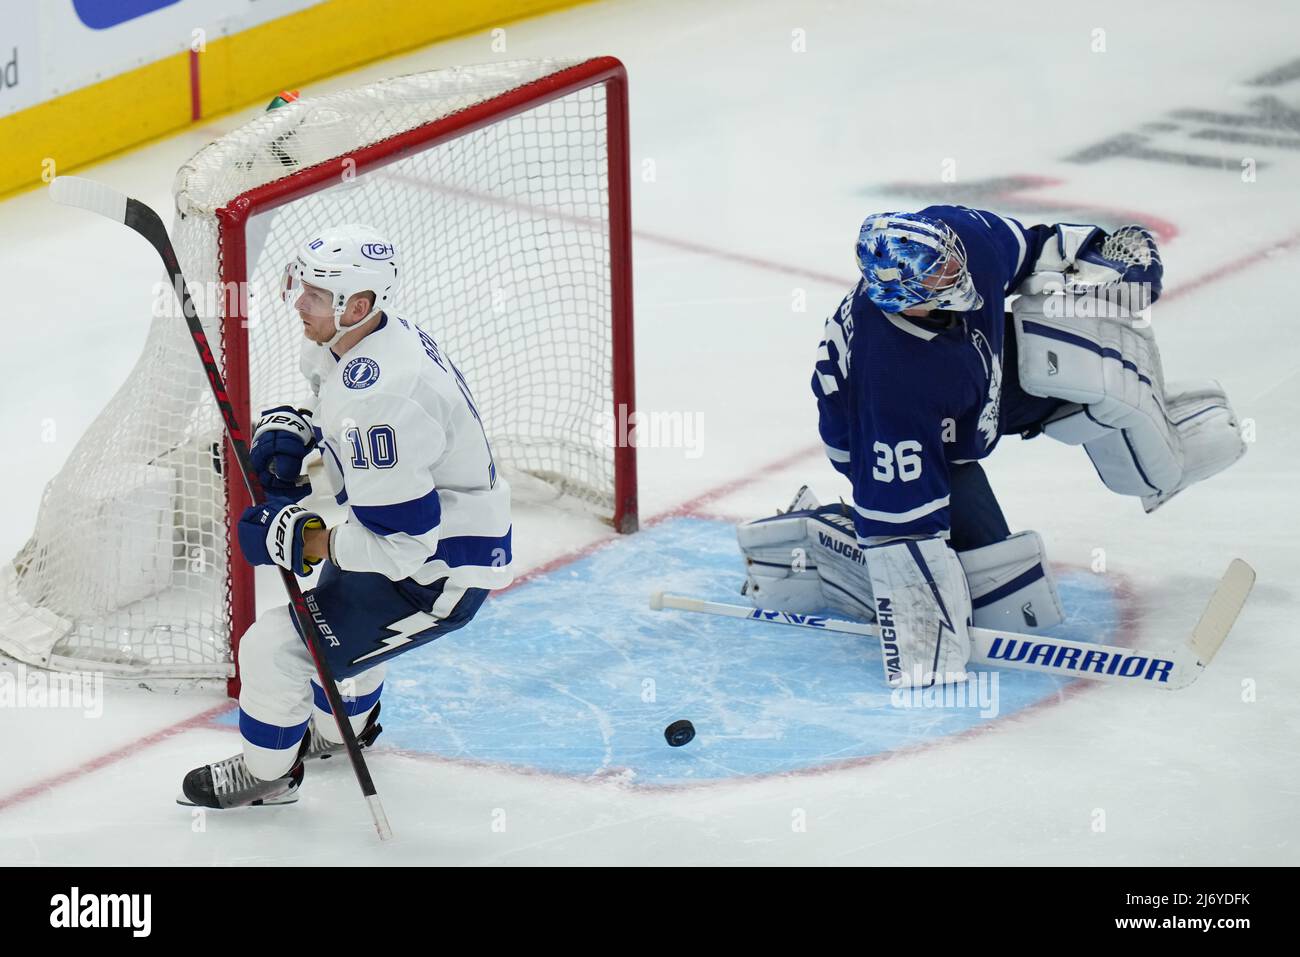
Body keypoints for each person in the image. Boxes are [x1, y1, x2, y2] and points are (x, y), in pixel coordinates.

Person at [737, 207, 1245, 688]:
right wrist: (926, 648)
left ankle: (1164, 459)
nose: (958, 275)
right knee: (1002, 599)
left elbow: (1043, 248)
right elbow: (903, 534)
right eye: (939, 277)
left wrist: (1110, 263)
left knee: (1086, 348)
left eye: (951, 260)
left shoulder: (963, 236)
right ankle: (822, 542)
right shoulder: (892, 382)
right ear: (904, 295)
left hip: (973, 375)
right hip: (897, 437)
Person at [178, 224, 512, 808]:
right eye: (300, 286)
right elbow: (327, 396)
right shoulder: (355, 341)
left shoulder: (383, 398)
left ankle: (269, 775)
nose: (297, 303)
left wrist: (305, 539)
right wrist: (296, 425)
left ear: (356, 305)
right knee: (339, 625)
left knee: (274, 648)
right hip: (394, 527)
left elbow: (403, 544)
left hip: (436, 575)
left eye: (314, 293)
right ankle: (342, 732)